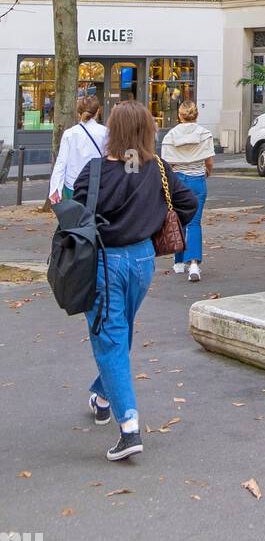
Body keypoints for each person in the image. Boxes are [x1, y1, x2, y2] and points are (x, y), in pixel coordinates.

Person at [72, 100, 197, 462]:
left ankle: (129, 428)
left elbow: (74, 217)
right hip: (143, 261)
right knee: (119, 331)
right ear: (146, 131)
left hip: (105, 263)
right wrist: (153, 219)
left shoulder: (95, 172)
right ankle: (102, 395)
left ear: (114, 130)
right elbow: (187, 204)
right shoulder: (155, 167)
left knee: (110, 336)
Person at [160, 100, 215, 283]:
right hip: (197, 179)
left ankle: (178, 261)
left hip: (178, 181)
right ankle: (193, 264)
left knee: (178, 220)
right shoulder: (204, 134)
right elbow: (209, 161)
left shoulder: (170, 136)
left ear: (180, 115)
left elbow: (166, 164)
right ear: (196, 115)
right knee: (194, 223)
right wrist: (207, 171)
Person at [48, 95, 107, 204]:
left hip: (73, 185)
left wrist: (56, 188)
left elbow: (61, 162)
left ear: (78, 113)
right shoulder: (105, 133)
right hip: (97, 184)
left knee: (75, 219)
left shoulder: (69, 134)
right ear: (98, 111)